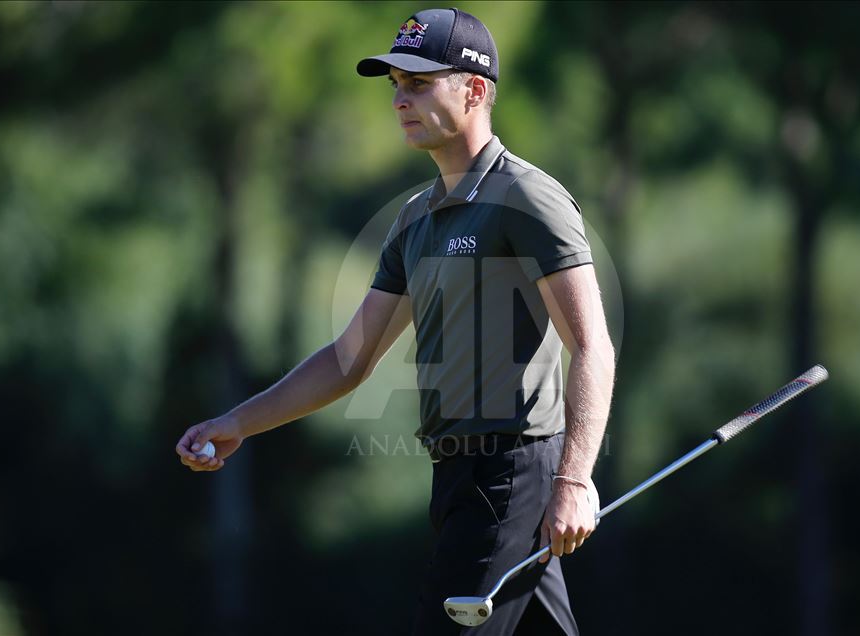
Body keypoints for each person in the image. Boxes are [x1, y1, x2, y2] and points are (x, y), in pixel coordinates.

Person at [176, 8, 615, 634]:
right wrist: (235, 424)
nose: (399, 100)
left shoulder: (528, 199)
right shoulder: (414, 218)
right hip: (455, 479)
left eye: (418, 83)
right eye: (395, 87)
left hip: (512, 477)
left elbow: (592, 345)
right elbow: (348, 359)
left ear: (475, 90)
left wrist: (574, 479)